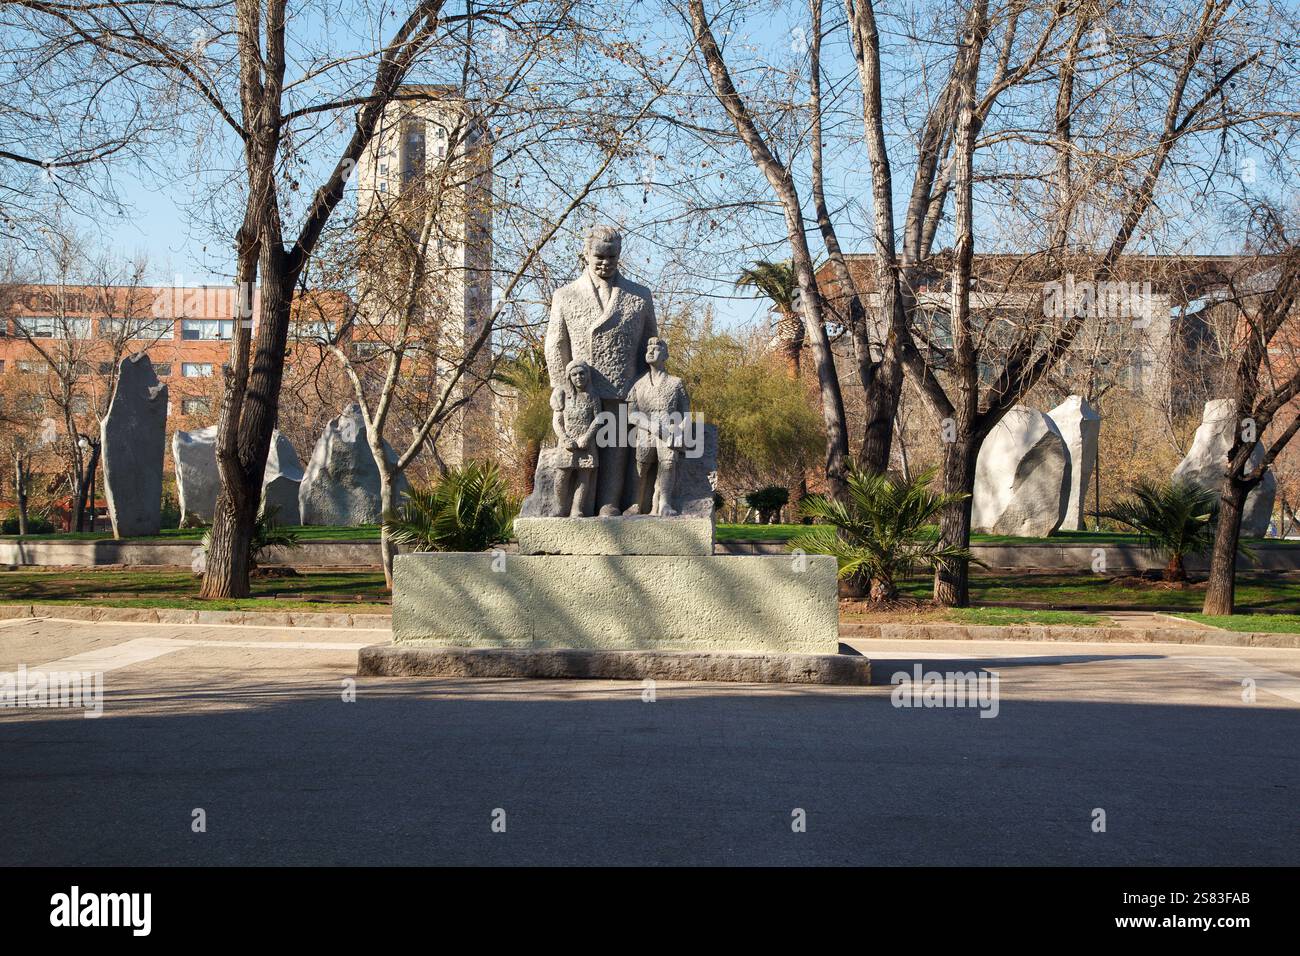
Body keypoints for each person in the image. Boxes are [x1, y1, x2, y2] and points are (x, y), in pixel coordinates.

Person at [543, 225, 657, 514]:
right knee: (579, 450)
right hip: (581, 389)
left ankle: (609, 504)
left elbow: (649, 344)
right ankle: (574, 507)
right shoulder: (566, 296)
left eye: (612, 257)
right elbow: (556, 345)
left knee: (616, 449)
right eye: (599, 256)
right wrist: (560, 386)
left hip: (624, 386)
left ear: (619, 256)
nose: (605, 262)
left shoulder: (639, 295)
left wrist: (650, 387)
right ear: (586, 253)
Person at [625, 337, 690, 517]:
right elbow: (632, 413)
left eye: (656, 348)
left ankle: (665, 504)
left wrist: (681, 432)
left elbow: (685, 412)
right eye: (649, 348)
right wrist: (650, 426)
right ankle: (635, 503)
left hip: (669, 429)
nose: (651, 351)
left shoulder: (676, 383)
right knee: (641, 466)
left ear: (666, 355)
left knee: (668, 465)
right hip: (646, 430)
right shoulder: (638, 384)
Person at [551, 360, 601, 517]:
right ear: (569, 377)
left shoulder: (593, 396)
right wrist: (565, 439)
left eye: (582, 373)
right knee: (561, 476)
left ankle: (576, 508)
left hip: (586, 443)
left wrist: (587, 437)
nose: (578, 377)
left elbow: (599, 419)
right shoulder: (563, 396)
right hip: (567, 443)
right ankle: (559, 507)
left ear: (587, 375)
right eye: (574, 374)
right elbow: (557, 421)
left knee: (584, 476)